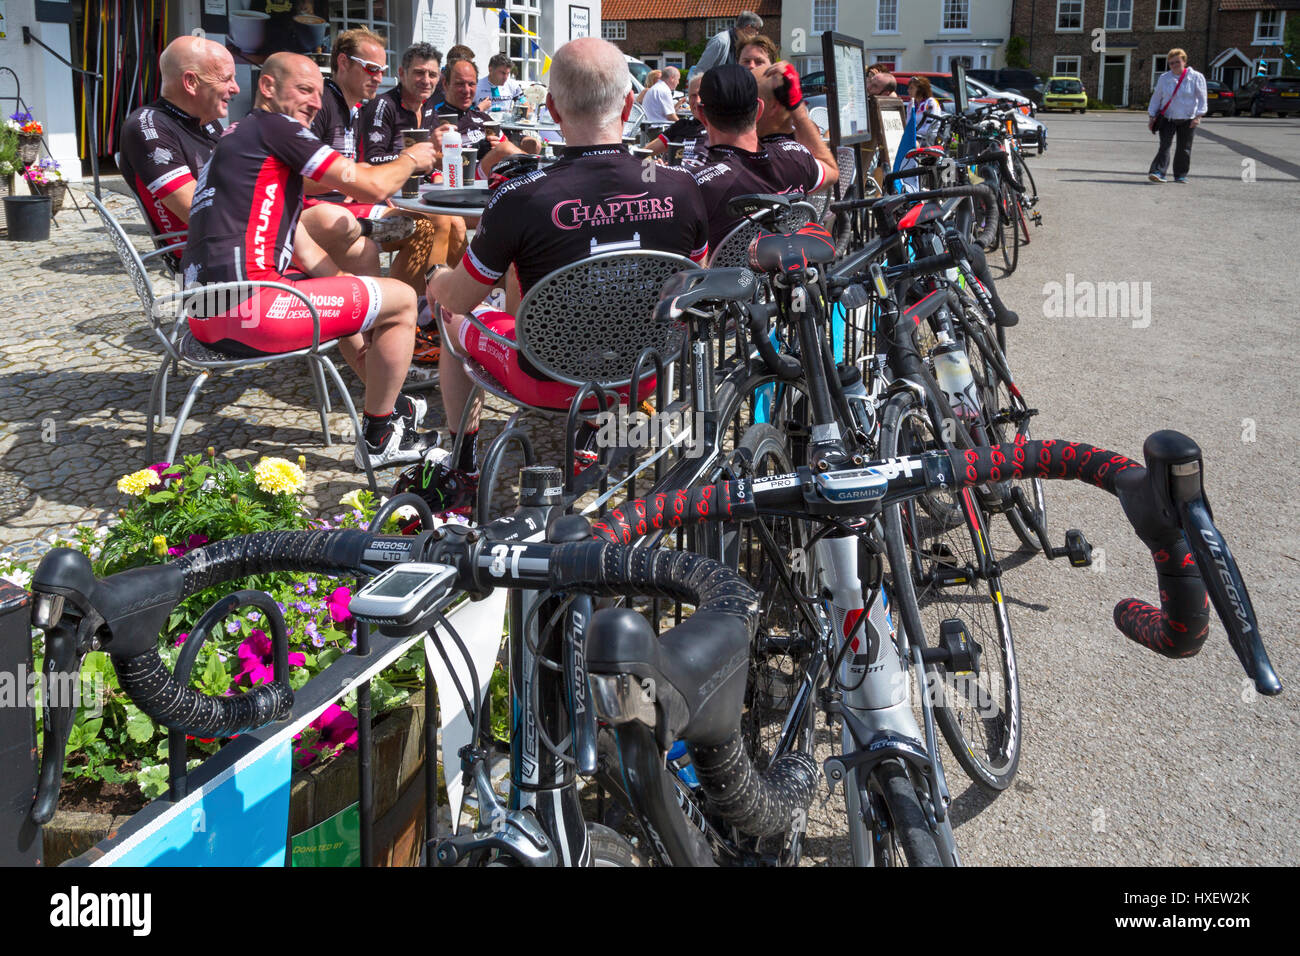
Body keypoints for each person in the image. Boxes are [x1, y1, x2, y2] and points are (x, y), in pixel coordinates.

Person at [424, 37, 708, 499]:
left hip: (548, 376)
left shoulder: (520, 196)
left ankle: (464, 464)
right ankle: (594, 432)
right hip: (644, 372)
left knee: (451, 314)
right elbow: (693, 283)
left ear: (552, 109)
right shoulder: (680, 186)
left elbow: (458, 298)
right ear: (629, 103)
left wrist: (436, 277)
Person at [180, 52, 441, 470]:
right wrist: (412, 159)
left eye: (320, 95)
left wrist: (362, 312)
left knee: (369, 297)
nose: (316, 103)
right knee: (404, 300)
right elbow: (372, 185)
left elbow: (309, 253)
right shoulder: (273, 127)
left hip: (204, 315)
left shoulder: (238, 143)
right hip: (250, 309)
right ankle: (379, 441)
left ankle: (388, 410)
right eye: (304, 90)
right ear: (267, 87)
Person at [691, 64, 835, 251]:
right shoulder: (796, 157)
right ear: (759, 109)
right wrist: (798, 111)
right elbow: (831, 170)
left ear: (702, 114)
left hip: (728, 278)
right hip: (787, 273)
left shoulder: (695, 185)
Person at [118, 36, 238, 253]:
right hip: (210, 267)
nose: (236, 88)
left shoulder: (206, 123)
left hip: (234, 243)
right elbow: (201, 212)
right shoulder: (147, 126)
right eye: (226, 79)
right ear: (191, 82)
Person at [1147, 48, 1207, 184]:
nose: (1174, 65)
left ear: (1184, 61)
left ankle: (1180, 174)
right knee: (1165, 146)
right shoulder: (1164, 78)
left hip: (1188, 118)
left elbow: (1202, 98)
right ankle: (1158, 172)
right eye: (1171, 63)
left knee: (1184, 148)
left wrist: (1198, 117)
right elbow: (1156, 98)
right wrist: (1151, 115)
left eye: (1177, 62)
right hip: (1168, 117)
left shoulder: (1196, 77)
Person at [645, 71, 708, 165]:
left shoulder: (719, 130)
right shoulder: (681, 126)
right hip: (668, 175)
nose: (697, 101)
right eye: (693, 96)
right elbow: (644, 153)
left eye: (702, 94)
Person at [696, 10, 764, 73]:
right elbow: (700, 70)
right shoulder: (720, 41)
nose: (757, 33)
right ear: (748, 28)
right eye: (757, 29)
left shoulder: (743, 44)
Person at [906, 75, 944, 145]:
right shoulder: (911, 104)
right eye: (908, 88)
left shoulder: (930, 103)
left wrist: (912, 132)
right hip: (915, 137)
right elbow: (908, 124)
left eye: (911, 88)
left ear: (921, 90)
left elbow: (929, 129)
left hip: (928, 139)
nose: (908, 90)